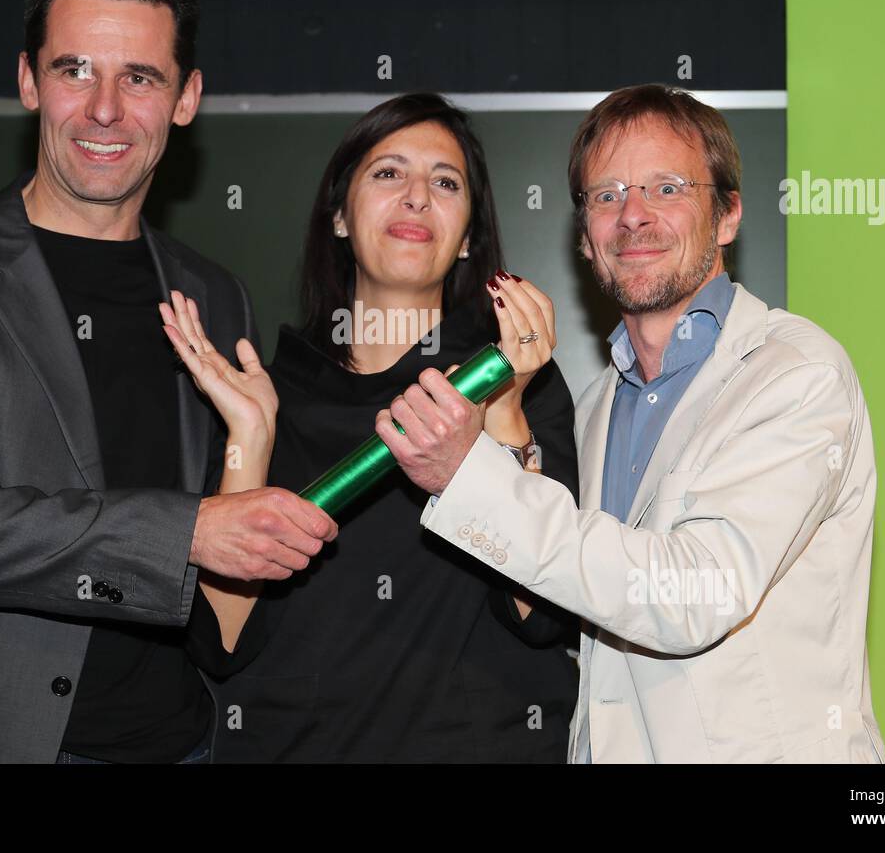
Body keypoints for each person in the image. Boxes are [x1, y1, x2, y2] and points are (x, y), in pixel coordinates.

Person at [0, 0, 336, 764]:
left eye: (139, 77)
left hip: (177, 745)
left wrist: (248, 459)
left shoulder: (214, 295)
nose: (105, 109)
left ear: (186, 99)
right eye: (75, 70)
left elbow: (225, 565)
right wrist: (186, 532)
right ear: (30, 82)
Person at [376, 84, 885, 763]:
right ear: (585, 238)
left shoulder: (795, 375)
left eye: (667, 188)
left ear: (728, 214)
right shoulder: (590, 411)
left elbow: (694, 596)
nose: (633, 217)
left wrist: (468, 478)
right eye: (607, 195)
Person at [161, 94, 579, 762]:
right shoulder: (266, 392)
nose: (417, 197)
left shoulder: (517, 379)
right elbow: (223, 644)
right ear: (337, 216)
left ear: (469, 234)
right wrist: (249, 436)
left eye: (446, 182)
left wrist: (503, 405)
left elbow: (543, 615)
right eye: (389, 173)